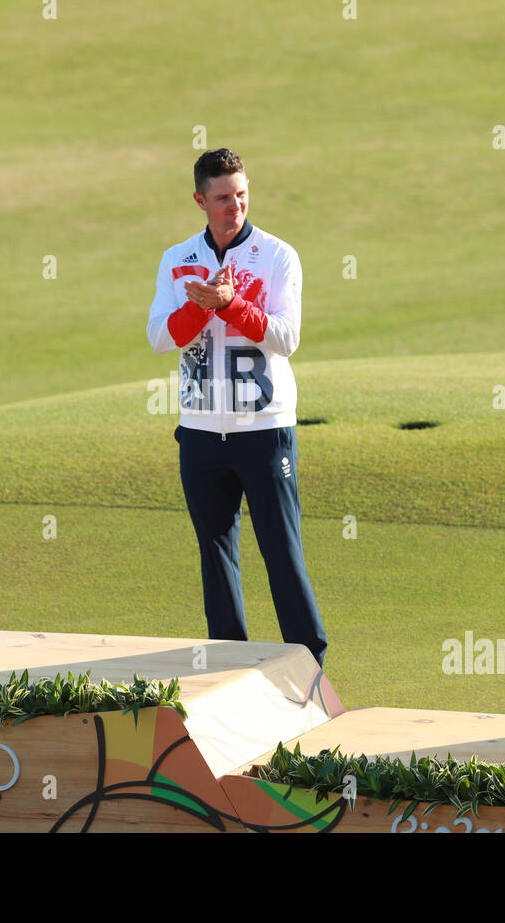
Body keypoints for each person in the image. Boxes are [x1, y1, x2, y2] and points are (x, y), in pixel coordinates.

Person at [147, 149, 328, 666]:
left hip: (265, 431)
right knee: (216, 554)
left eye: (242, 194)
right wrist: (199, 306)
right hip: (200, 431)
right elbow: (160, 337)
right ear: (200, 200)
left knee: (282, 551)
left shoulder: (277, 256)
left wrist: (230, 305)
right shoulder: (177, 259)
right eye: (224, 197)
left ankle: (308, 664)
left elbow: (287, 338)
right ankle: (230, 663)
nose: (236, 206)